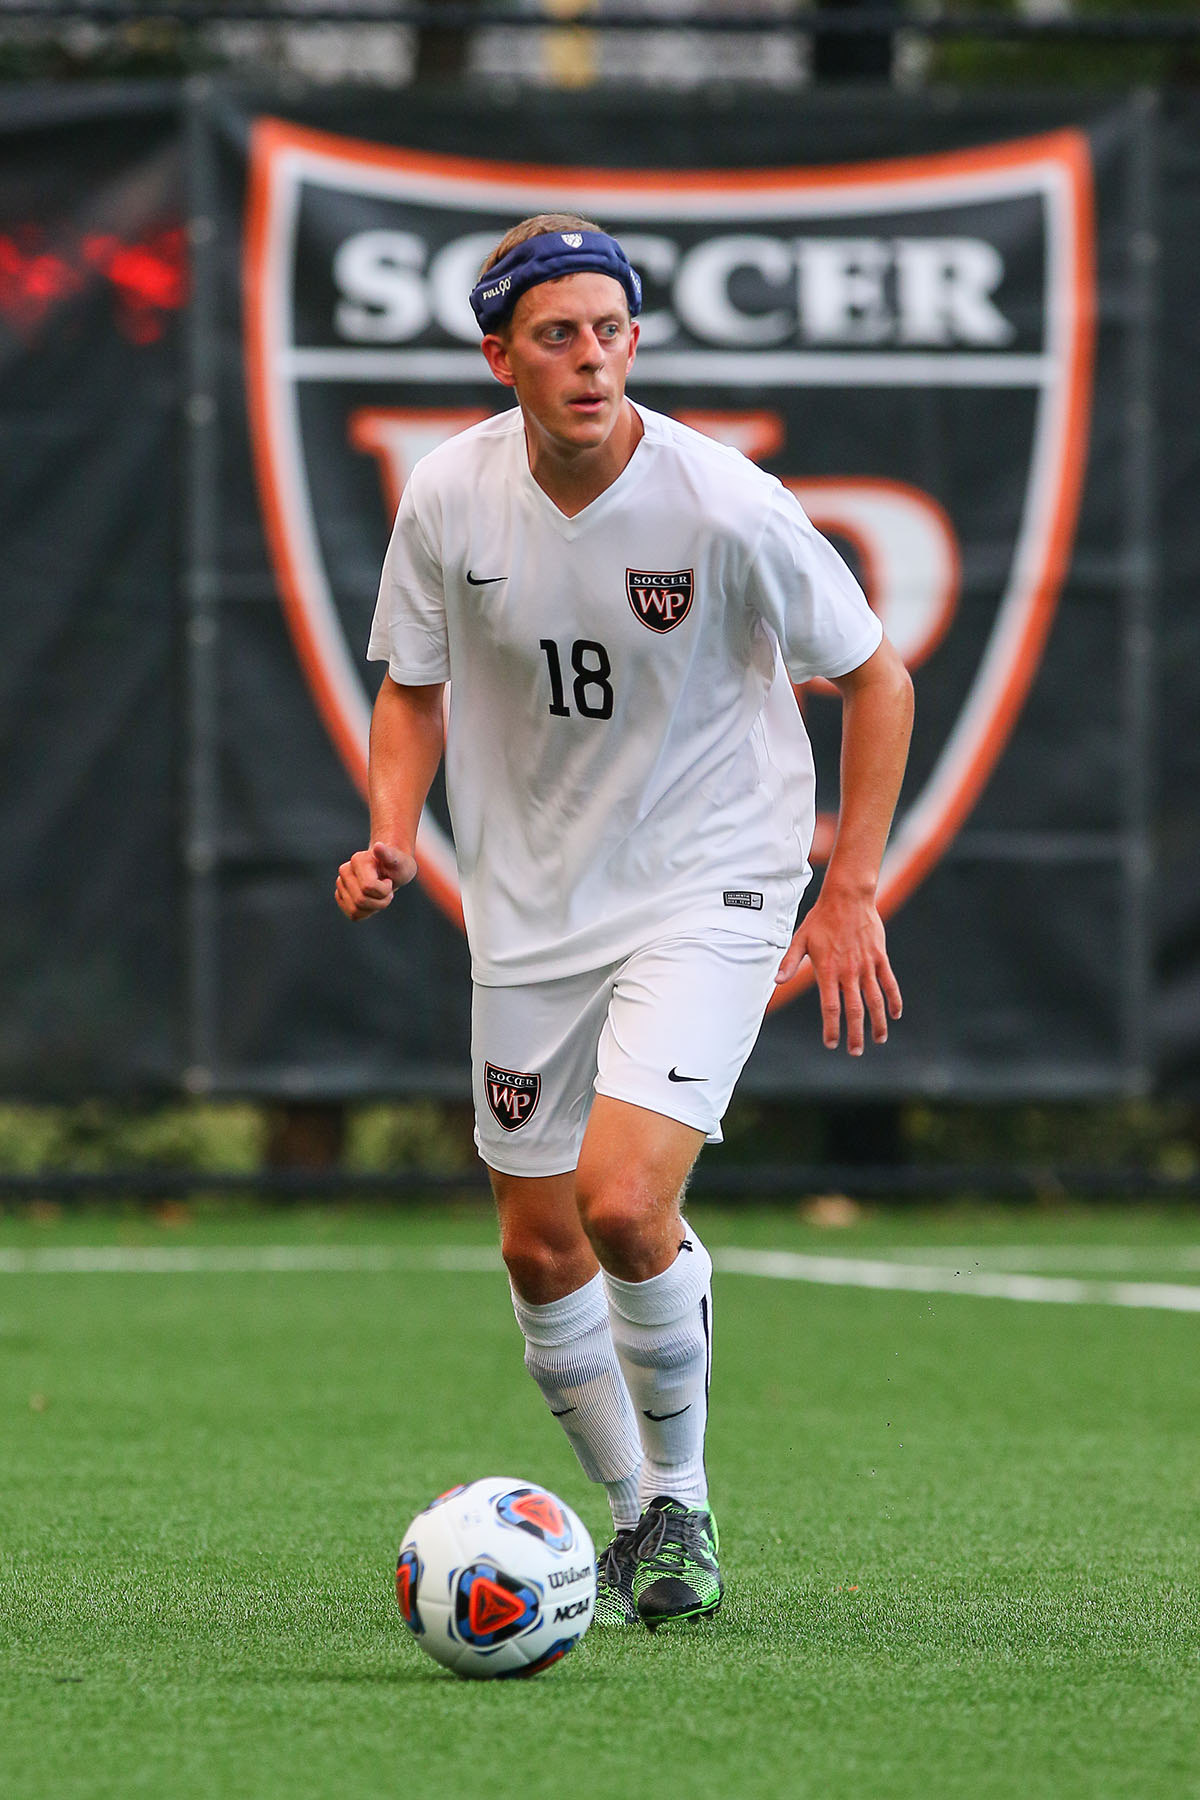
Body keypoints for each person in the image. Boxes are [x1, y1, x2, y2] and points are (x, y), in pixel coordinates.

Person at [336, 213, 914, 1632]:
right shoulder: (449, 494)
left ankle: (684, 1502)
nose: (590, 359)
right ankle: (627, 1514)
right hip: (532, 902)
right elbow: (411, 687)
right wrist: (391, 830)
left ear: (634, 343)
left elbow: (877, 679)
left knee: (622, 1205)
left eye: (610, 332)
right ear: (503, 357)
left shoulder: (722, 504)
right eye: (558, 336)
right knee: (540, 1250)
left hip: (712, 878)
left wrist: (848, 892)